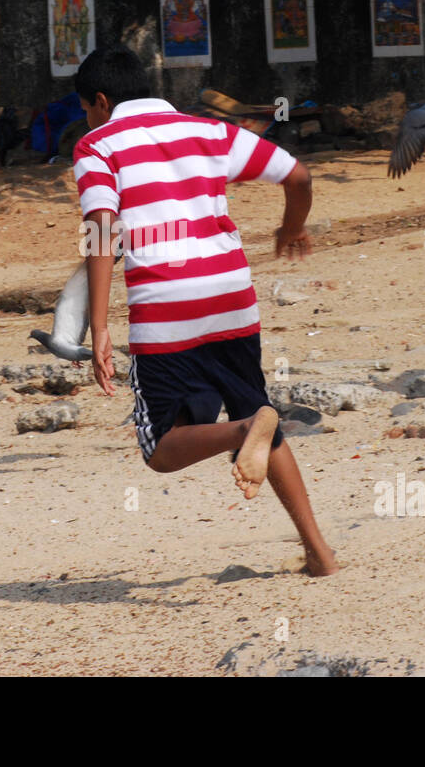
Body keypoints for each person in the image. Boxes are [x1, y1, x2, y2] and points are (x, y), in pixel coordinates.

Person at [71, 45, 338, 576]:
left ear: (100, 101)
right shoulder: (207, 131)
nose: (86, 118)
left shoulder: (96, 145)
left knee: (159, 448)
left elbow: (102, 228)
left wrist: (98, 326)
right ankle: (320, 554)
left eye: (86, 108)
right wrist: (291, 227)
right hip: (232, 298)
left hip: (166, 308)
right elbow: (299, 175)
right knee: (258, 408)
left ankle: (241, 433)